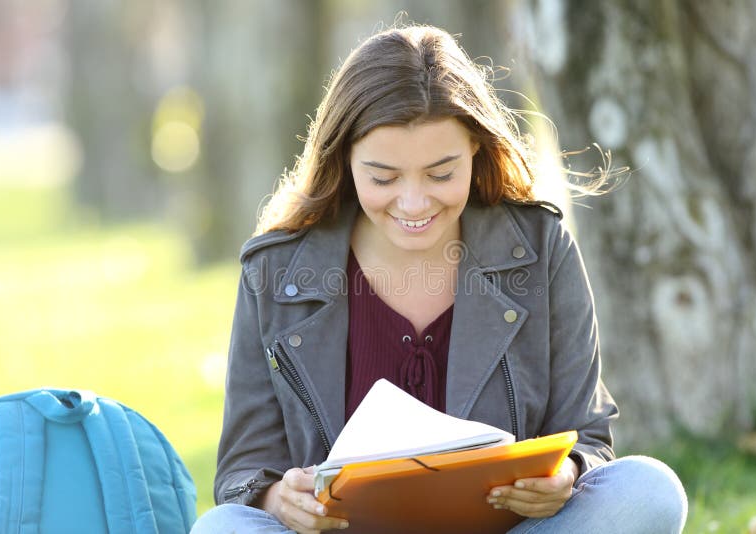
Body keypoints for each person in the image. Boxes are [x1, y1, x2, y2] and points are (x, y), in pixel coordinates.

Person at [192, 24, 687, 534]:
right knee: (221, 528)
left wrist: (567, 474)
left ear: (475, 147)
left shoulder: (541, 247)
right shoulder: (274, 271)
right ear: (344, 158)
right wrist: (279, 499)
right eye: (383, 177)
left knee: (649, 489)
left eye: (441, 173)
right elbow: (242, 471)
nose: (414, 203)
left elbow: (587, 434)